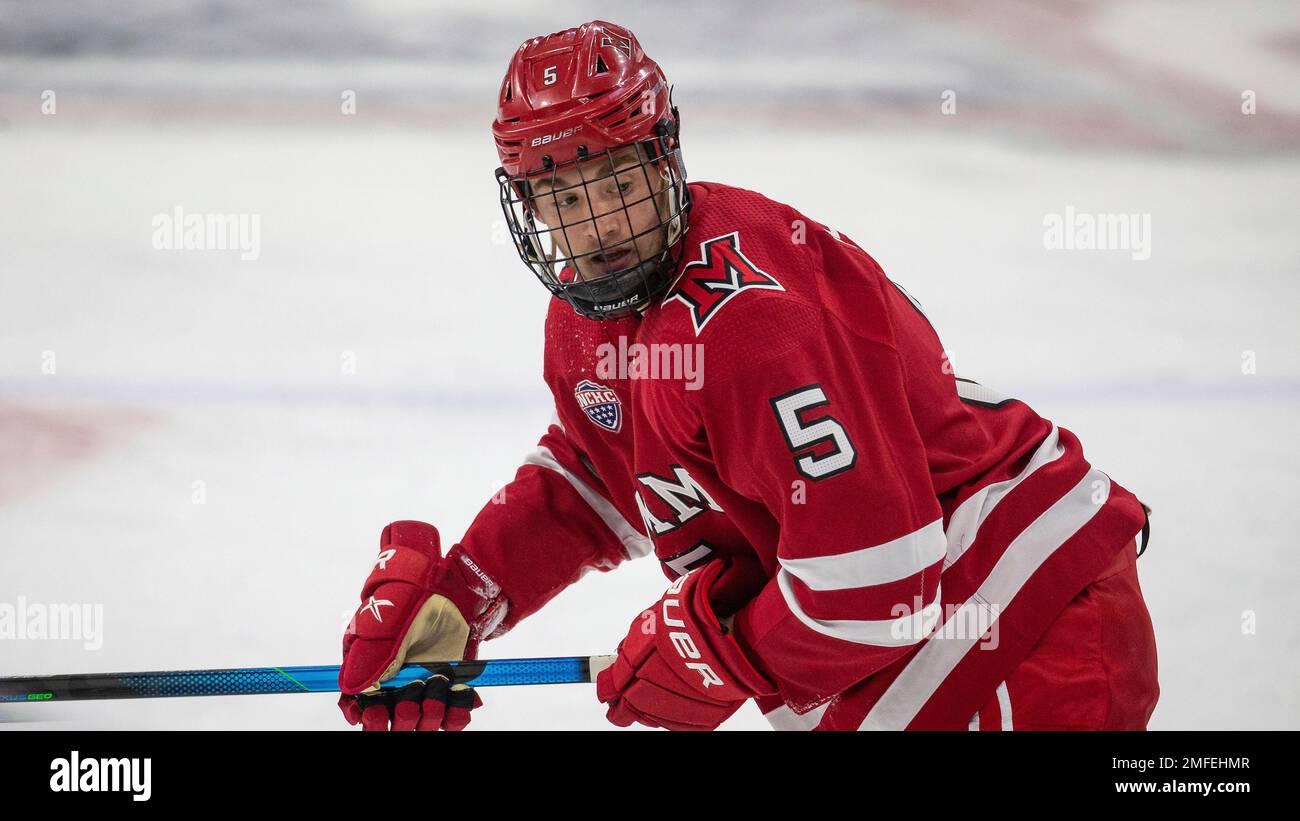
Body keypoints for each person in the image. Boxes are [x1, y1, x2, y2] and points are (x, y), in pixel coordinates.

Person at [336, 19, 1159, 732]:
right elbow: (606, 472)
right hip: (919, 646)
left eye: (617, 184)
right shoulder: (585, 318)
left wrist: (724, 654)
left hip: (1018, 619)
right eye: (562, 198)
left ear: (663, 159)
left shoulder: (749, 325)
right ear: (528, 206)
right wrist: (464, 595)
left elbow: (879, 580)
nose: (599, 228)